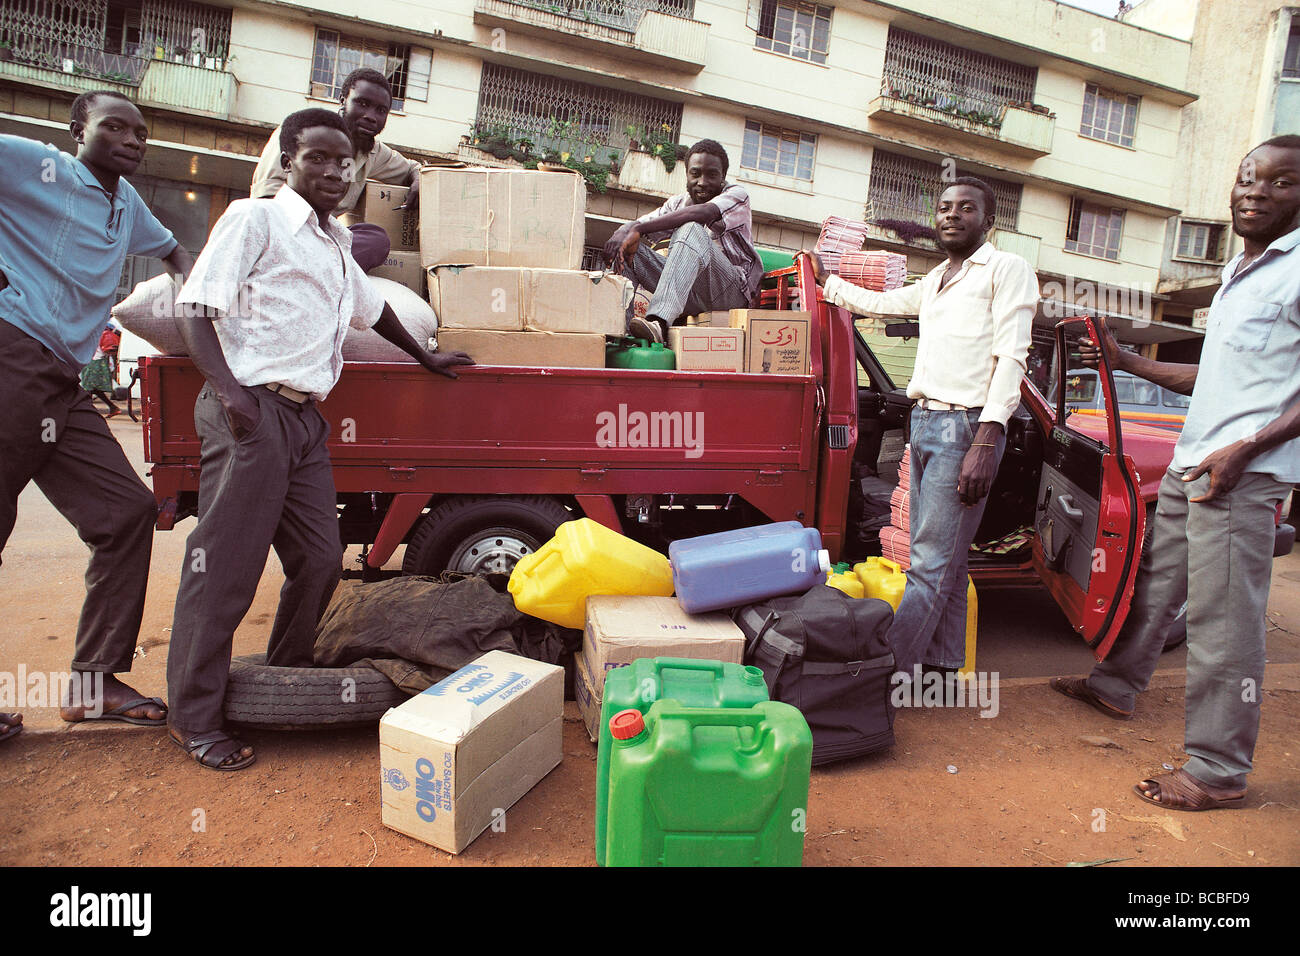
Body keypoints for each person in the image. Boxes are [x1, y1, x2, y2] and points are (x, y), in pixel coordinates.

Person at [166, 108, 473, 771]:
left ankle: (284, 672)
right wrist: (230, 395)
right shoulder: (256, 221)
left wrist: (427, 358)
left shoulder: (334, 240)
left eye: (342, 162)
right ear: (288, 161)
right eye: (318, 158)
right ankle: (192, 718)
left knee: (321, 558)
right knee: (223, 571)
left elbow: (375, 309)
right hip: (252, 409)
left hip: (305, 420)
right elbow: (195, 307)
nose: (334, 170)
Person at [1051, 135, 1300, 811]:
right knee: (1156, 584)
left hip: (1241, 476)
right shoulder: (1238, 272)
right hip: (1196, 465)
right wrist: (1123, 358)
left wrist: (1246, 449)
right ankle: (1115, 686)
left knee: (1224, 625)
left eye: (1281, 183)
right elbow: (1212, 373)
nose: (1256, 191)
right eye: (1249, 178)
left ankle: (1217, 771)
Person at [0, 91, 193, 733]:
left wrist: (199, 297)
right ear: (77, 130)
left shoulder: (125, 203)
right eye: (115, 126)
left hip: (65, 379)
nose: (133, 139)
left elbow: (171, 249)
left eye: (141, 131)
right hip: (13, 358)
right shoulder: (36, 165)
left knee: (124, 513)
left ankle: (92, 683)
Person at [807, 176, 1038, 679]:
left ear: (989, 220)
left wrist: (988, 436)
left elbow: (1011, 358)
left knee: (928, 564)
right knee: (948, 563)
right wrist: (829, 283)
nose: (952, 215)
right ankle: (943, 665)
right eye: (944, 207)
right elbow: (884, 304)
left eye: (966, 208)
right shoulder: (938, 278)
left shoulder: (1007, 269)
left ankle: (886, 676)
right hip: (927, 421)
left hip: (966, 428)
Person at [250, 67, 419, 272]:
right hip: (283, 236)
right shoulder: (301, 133)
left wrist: (418, 180)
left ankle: (318, 269)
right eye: (362, 103)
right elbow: (265, 202)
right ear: (342, 100)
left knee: (375, 239)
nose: (370, 116)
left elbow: (412, 167)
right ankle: (311, 270)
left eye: (381, 110)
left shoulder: (371, 151)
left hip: (324, 238)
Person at [603, 139, 762, 343]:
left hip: (732, 294)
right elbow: (639, 223)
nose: (702, 182)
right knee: (627, 247)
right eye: (695, 174)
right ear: (686, 174)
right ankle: (616, 331)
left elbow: (704, 213)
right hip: (690, 293)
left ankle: (658, 322)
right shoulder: (678, 203)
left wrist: (637, 228)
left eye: (712, 175)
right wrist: (623, 233)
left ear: (723, 177)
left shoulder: (737, 195)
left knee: (691, 228)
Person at [82, 323, 123, 417]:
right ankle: (112, 407)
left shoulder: (95, 333)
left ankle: (90, 413)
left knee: (89, 388)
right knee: (92, 389)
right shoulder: (98, 332)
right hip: (96, 361)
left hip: (94, 362)